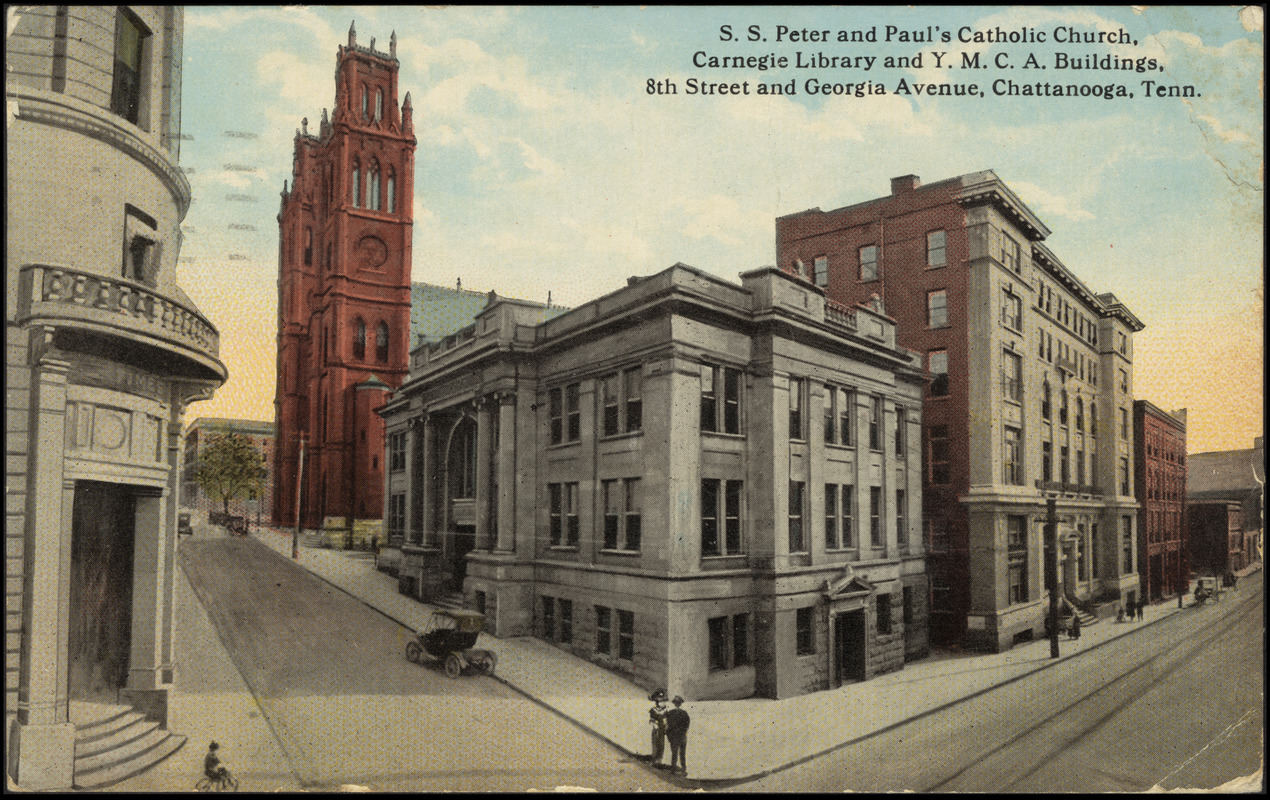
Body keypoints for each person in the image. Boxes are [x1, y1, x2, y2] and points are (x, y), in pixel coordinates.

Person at [664, 696, 690, 775]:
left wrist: (669, 736)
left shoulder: (670, 713)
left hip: (674, 736)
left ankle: (673, 769)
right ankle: (683, 768)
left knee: (674, 753)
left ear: (674, 703)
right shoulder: (685, 713)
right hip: (682, 736)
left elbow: (668, 726)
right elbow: (687, 726)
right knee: (682, 753)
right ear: (681, 704)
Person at [647, 689, 668, 765]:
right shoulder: (653, 710)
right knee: (655, 744)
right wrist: (654, 725)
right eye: (661, 701)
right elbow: (651, 720)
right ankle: (654, 758)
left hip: (662, 730)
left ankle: (659, 759)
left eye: (664, 701)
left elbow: (666, 719)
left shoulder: (665, 711)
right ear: (657, 702)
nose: (663, 703)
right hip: (656, 729)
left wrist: (666, 726)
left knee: (661, 744)